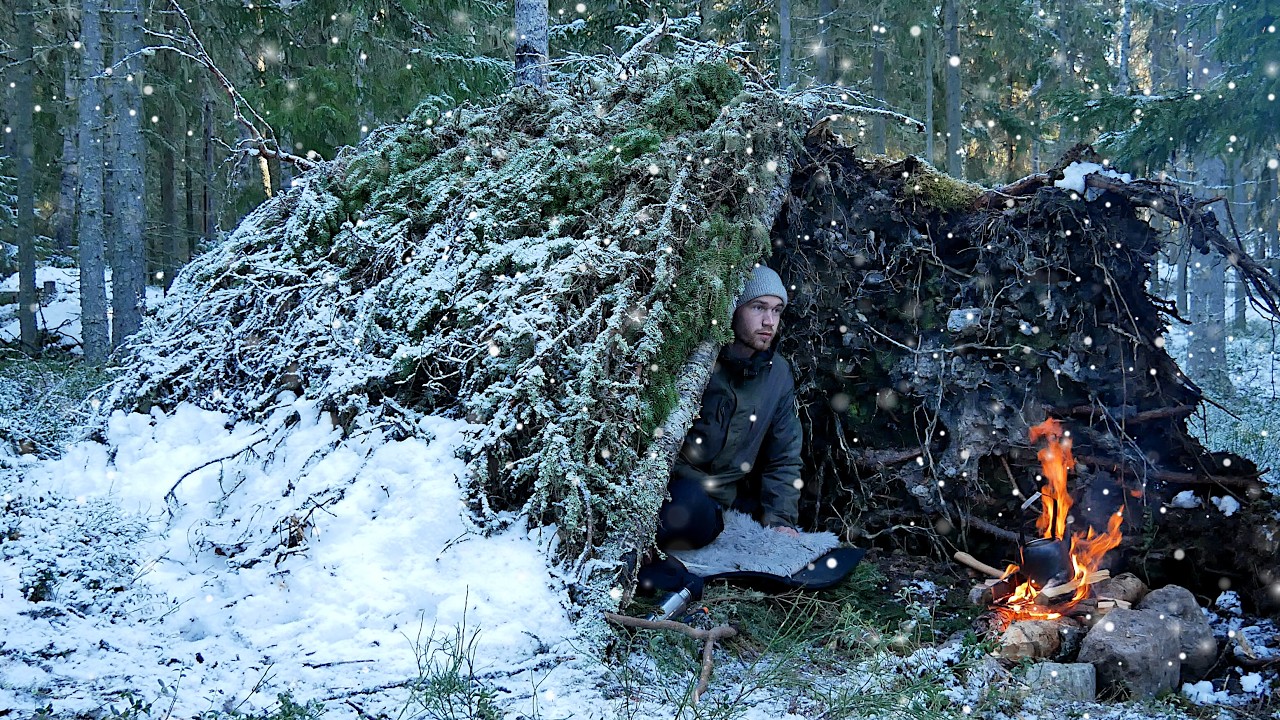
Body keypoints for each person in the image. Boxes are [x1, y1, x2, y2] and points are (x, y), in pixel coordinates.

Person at [657, 264, 804, 551]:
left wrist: (780, 519)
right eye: (758, 307)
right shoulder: (697, 359)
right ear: (735, 310)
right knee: (687, 507)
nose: (768, 321)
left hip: (723, 498)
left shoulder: (778, 374)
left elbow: (784, 455)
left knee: (716, 513)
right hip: (674, 487)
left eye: (776, 310)